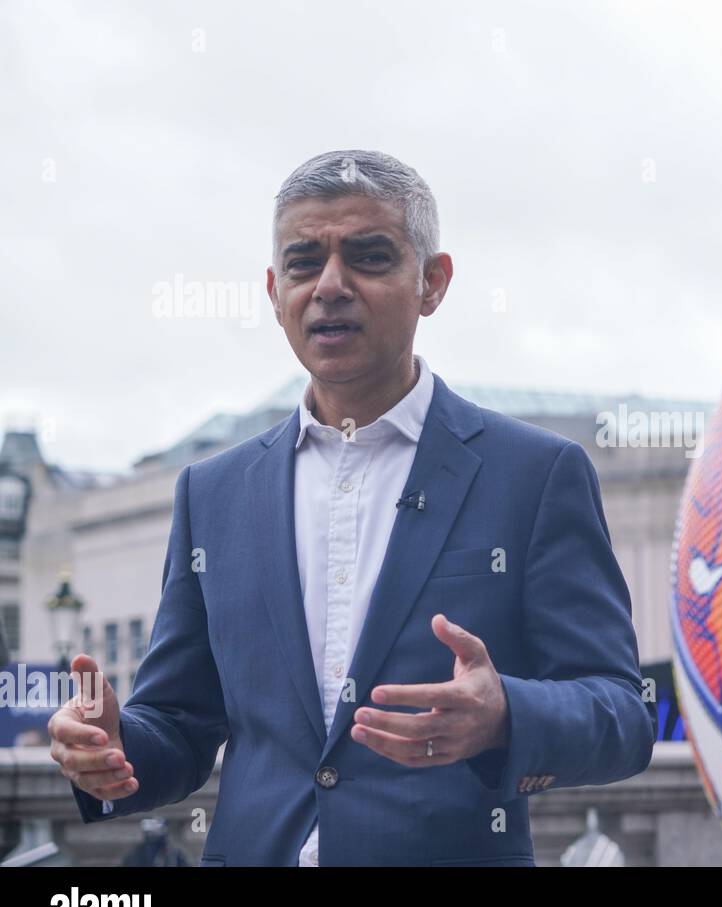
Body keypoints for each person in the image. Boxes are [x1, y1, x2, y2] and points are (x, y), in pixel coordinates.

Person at [48, 150, 655, 866]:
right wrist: (113, 744)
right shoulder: (211, 493)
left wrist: (505, 714)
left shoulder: (535, 475)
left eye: (368, 256)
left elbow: (622, 712)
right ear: (275, 291)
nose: (330, 285)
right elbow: (181, 725)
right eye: (304, 263)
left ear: (433, 282)